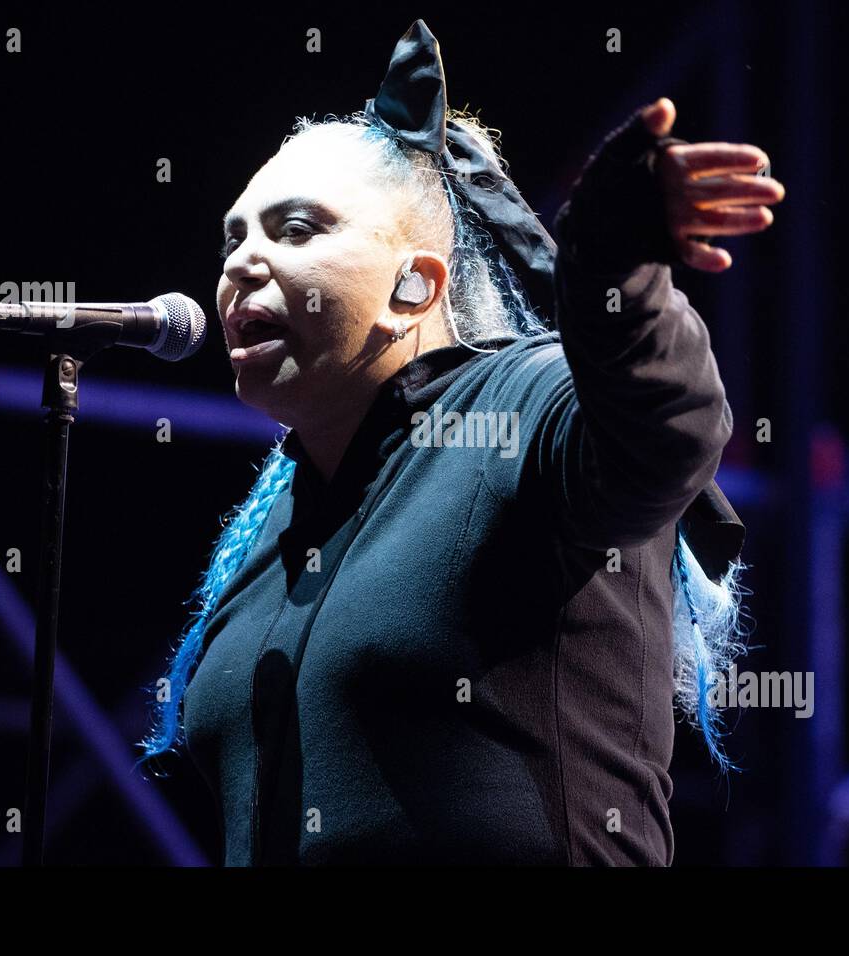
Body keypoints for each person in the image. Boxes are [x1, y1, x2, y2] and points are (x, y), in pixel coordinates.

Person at [139, 19, 784, 866]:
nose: (242, 265)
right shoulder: (266, 530)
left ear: (415, 287)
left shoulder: (520, 405)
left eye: (296, 229)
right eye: (235, 237)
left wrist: (611, 266)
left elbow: (663, 433)